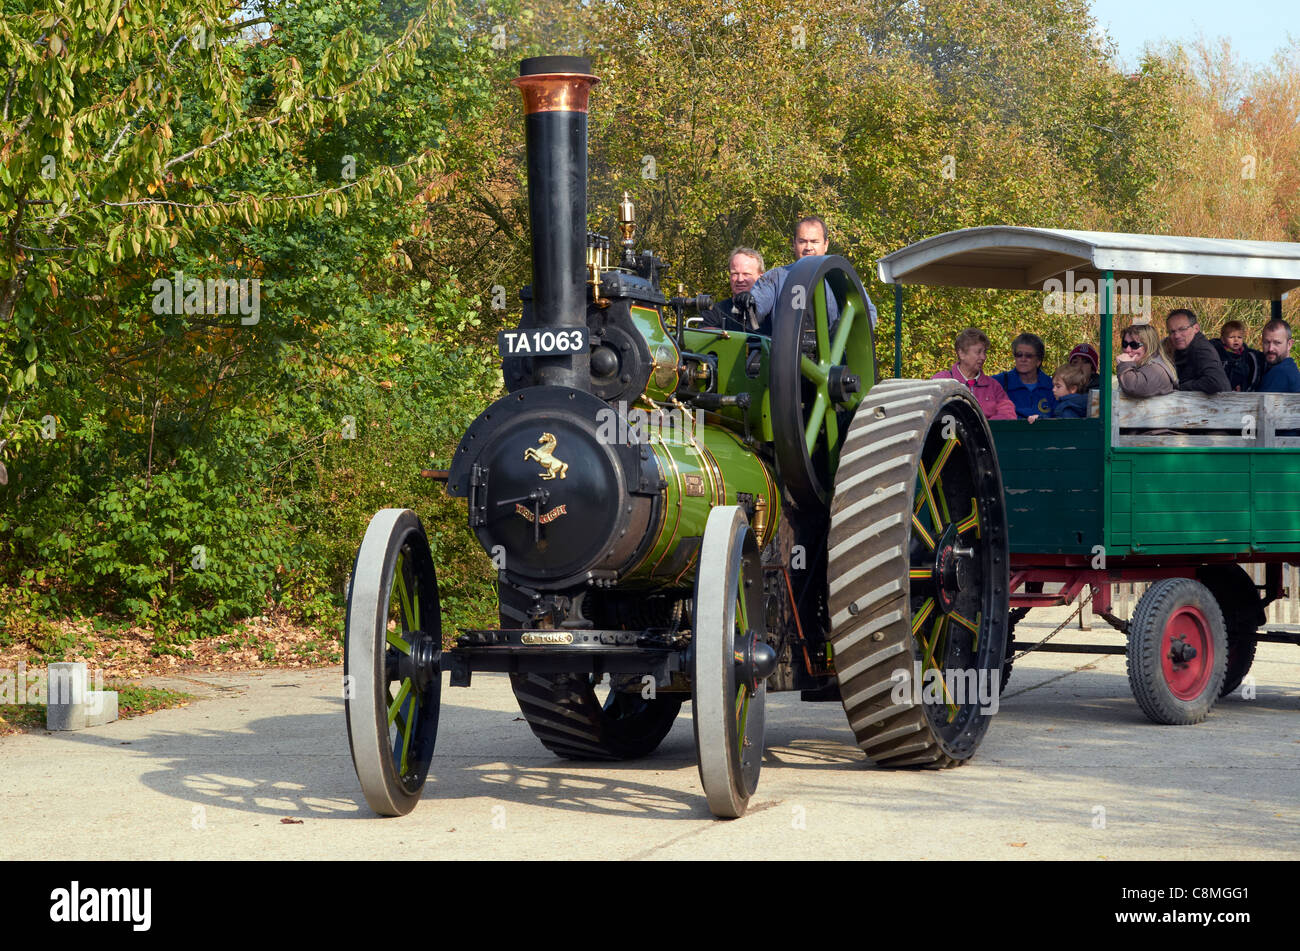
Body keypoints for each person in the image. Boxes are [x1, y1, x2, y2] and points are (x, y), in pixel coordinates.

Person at [742, 216, 876, 335]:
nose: (808, 247)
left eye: (814, 241)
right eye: (802, 241)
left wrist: (843, 331)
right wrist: (749, 303)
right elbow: (756, 309)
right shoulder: (774, 278)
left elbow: (868, 314)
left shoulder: (843, 279)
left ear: (826, 244)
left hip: (832, 358)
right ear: (794, 244)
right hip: (785, 358)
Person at [932, 327, 1016, 420]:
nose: (983, 357)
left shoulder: (993, 386)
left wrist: (982, 427)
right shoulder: (942, 380)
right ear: (961, 353)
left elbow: (1008, 414)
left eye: (984, 352)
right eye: (978, 352)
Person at [1165, 308, 1230, 393]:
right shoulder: (1178, 348)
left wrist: (1178, 388)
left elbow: (1216, 382)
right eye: (1172, 332)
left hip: (1216, 405)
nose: (1176, 335)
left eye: (1182, 329)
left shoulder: (1201, 349)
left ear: (1196, 328)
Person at [992, 332, 1056, 419]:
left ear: (1039, 361)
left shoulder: (1053, 386)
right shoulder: (998, 383)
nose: (1023, 359)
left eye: (1028, 356)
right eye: (1019, 355)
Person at [703, 247, 765, 331]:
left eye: (746, 274)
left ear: (760, 278)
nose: (740, 279)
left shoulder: (773, 313)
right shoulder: (714, 312)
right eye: (735, 273)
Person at [1116, 322, 1178, 397]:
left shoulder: (1157, 369)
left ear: (1148, 346)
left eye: (1134, 345)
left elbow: (1133, 388)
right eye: (1124, 344)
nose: (1127, 349)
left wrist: (1124, 365)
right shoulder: (1140, 366)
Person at [1212, 319, 1265, 392]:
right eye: (1232, 337)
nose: (1236, 340)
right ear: (1223, 340)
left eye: (1239, 337)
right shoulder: (1218, 353)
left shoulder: (1246, 355)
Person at [1258, 318, 1300, 392]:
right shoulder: (1291, 369)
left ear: (1289, 344)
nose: (1270, 349)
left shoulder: (1280, 372)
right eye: (1266, 342)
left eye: (1277, 343)